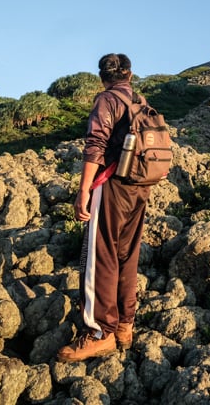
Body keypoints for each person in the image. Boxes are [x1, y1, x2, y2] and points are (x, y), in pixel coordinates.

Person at [57, 53, 153, 362]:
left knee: (101, 256)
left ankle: (100, 333)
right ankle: (125, 325)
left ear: (103, 77)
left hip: (111, 185)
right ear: (130, 74)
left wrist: (83, 190)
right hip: (140, 187)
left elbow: (96, 145)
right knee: (127, 255)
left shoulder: (106, 100)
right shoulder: (140, 100)